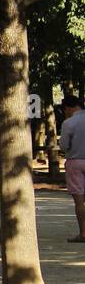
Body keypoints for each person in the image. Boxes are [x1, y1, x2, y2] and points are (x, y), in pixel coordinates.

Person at [60, 96, 85, 243]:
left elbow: (63, 146)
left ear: (68, 108)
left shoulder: (68, 123)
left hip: (75, 162)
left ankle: (83, 233)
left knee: (79, 200)